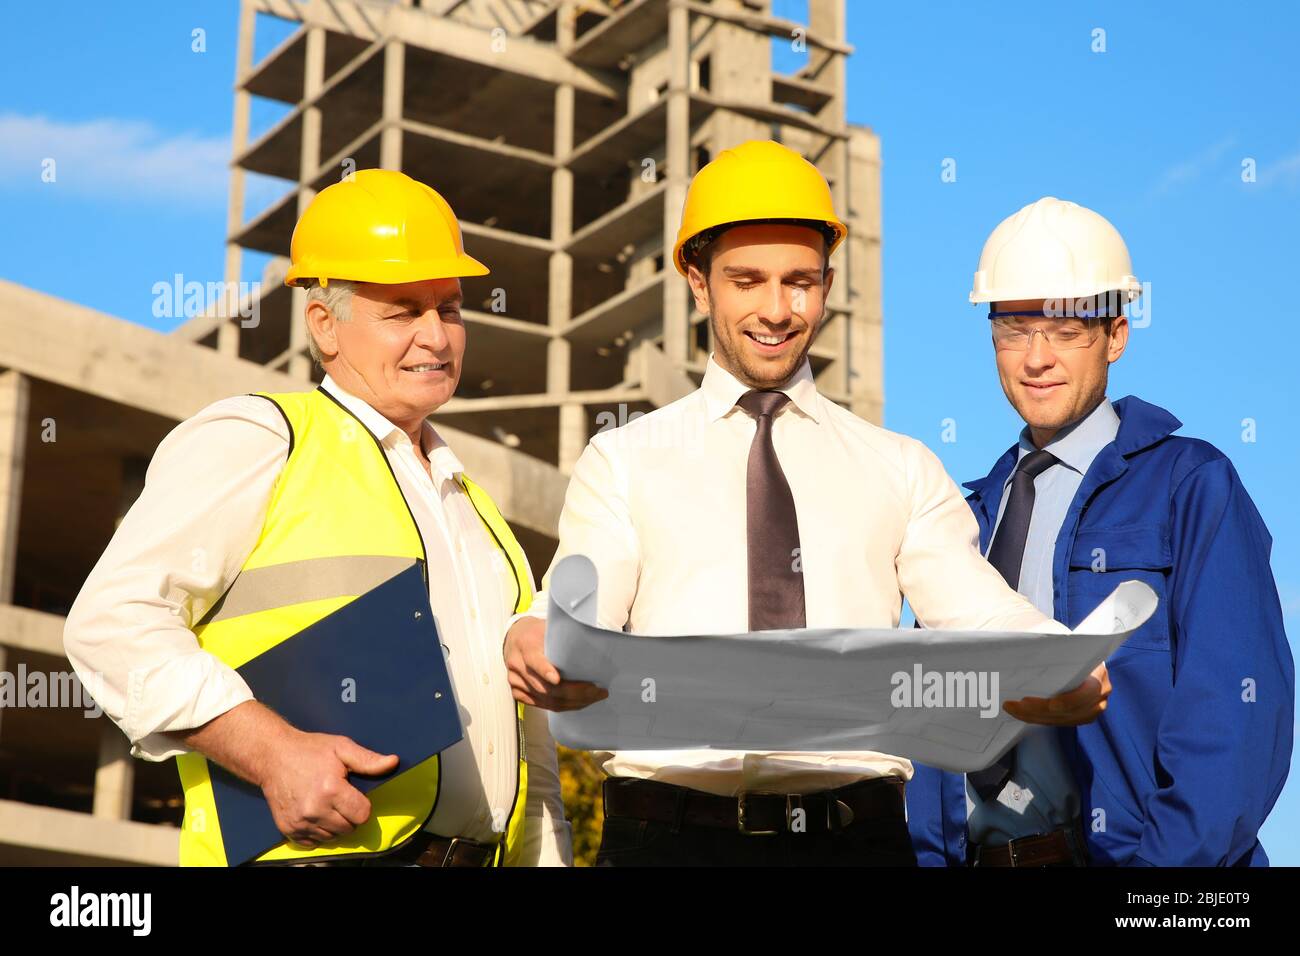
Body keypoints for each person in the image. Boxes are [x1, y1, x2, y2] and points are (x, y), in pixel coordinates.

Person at [500, 142, 1110, 866]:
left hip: (854, 840)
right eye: (745, 280)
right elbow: (583, 591)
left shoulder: (902, 467)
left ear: (826, 283)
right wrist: (539, 633)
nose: (776, 309)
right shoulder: (625, 461)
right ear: (698, 283)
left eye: (799, 282)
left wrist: (1055, 657)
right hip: (666, 839)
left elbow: (977, 609)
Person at [63, 169, 571, 867]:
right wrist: (272, 754)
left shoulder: (479, 516)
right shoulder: (260, 437)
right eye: (403, 310)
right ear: (324, 324)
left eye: (449, 308)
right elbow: (110, 622)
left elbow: (528, 752)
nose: (436, 336)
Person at [907, 197, 1294, 867]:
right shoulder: (962, 520)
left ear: (1116, 335)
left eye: (1065, 331)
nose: (1036, 358)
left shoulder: (1190, 486)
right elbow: (927, 731)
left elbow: (1232, 722)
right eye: (1014, 328)